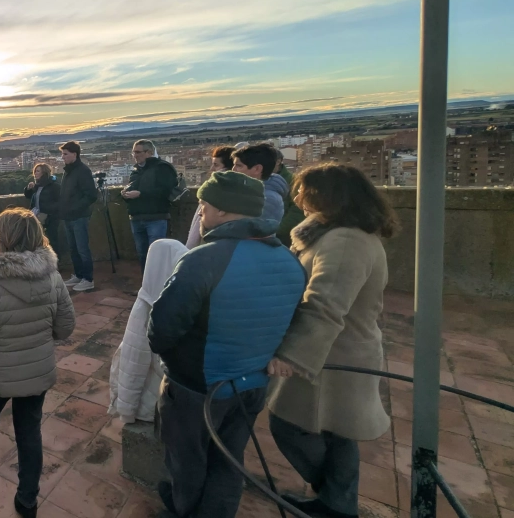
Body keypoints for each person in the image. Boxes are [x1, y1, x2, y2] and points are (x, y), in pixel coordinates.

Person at [148, 172, 306, 518]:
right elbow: (290, 322)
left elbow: (161, 329)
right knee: (230, 459)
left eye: (204, 205)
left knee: (186, 461)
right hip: (253, 385)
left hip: (197, 387)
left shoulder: (203, 260)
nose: (200, 212)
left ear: (222, 211)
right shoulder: (291, 261)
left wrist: (176, 364)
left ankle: (184, 511)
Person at [265, 163, 398, 518]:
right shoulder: (340, 233)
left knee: (289, 425)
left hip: (333, 354)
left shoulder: (345, 241)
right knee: (338, 432)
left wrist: (291, 356)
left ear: (329, 197)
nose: (297, 198)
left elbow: (325, 305)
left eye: (304, 192)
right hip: (340, 349)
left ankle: (334, 500)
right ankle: (338, 504)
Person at [0, 208, 76, 518]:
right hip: (37, 373)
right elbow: (65, 328)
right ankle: (27, 500)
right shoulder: (53, 277)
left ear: (2, 239)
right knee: (29, 434)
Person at [108, 238, 188, 423]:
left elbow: (132, 361)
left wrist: (126, 410)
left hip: (149, 407)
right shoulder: (189, 303)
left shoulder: (145, 306)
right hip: (177, 400)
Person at [122, 139, 178, 273]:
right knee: (142, 255)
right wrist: (125, 194)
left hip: (156, 218)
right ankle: (147, 287)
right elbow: (134, 189)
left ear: (149, 152)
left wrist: (141, 194)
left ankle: (159, 288)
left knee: (157, 255)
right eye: (133, 152)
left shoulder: (163, 167)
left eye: (138, 152)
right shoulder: (136, 170)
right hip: (136, 218)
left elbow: (165, 191)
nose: (135, 155)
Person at [57, 141, 99, 292]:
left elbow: (91, 195)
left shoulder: (83, 171)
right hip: (68, 216)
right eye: (62, 154)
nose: (62, 157)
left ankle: (88, 279)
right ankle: (78, 274)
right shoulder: (68, 171)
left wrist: (75, 208)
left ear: (74, 154)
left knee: (82, 248)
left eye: (65, 154)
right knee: (73, 248)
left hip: (79, 216)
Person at [186, 146, 235, 248]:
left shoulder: (214, 189)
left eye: (216, 165)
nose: (212, 169)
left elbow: (198, 225)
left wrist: (189, 248)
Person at [231, 144, 285, 223]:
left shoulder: (268, 199)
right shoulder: (252, 192)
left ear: (257, 169)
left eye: (239, 166)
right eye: (234, 165)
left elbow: (250, 230)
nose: (233, 170)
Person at [24, 162, 63, 259]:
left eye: (38, 171)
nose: (35, 173)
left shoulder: (54, 185)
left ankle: (56, 263)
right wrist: (28, 189)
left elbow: (60, 202)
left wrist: (47, 212)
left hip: (51, 218)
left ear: (44, 173)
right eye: (35, 171)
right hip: (38, 215)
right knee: (38, 241)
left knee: (52, 240)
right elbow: (29, 196)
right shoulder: (37, 185)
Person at [274, 157, 305, 247]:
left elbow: (297, 213)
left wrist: (272, 230)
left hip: (284, 240)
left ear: (278, 162)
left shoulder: (293, 181)